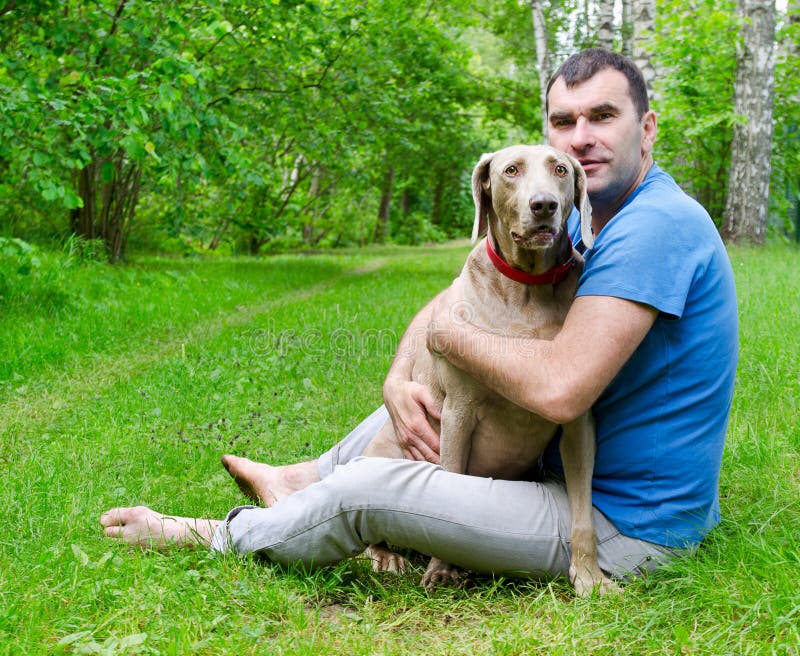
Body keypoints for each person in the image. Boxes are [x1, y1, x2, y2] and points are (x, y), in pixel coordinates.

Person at [101, 48, 738, 586]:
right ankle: (297, 480)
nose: (580, 138)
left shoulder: (655, 228)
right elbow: (457, 296)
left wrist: (445, 338)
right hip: (561, 481)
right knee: (424, 396)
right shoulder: (575, 214)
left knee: (373, 489)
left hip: (620, 523)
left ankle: (210, 535)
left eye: (603, 116)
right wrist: (401, 372)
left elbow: (560, 390)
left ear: (647, 127)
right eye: (563, 121)